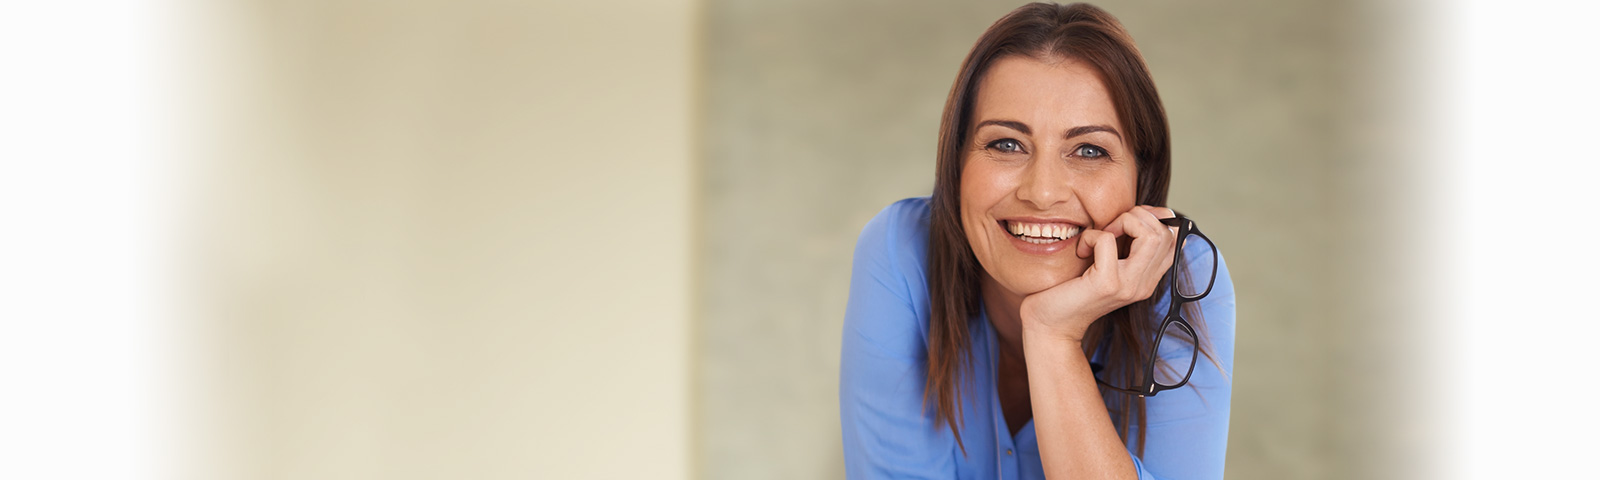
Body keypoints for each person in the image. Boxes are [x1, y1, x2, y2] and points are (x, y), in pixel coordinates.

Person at [838, 3, 1236, 479]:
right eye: (1006, 144)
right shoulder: (900, 250)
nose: (1042, 192)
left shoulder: (1183, 281)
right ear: (957, 162)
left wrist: (1052, 336)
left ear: (1141, 176)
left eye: (1089, 150)